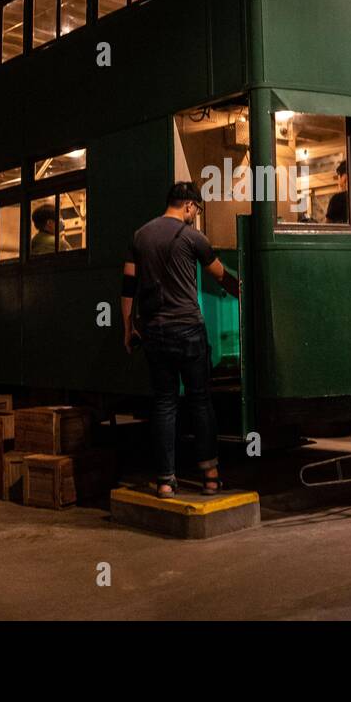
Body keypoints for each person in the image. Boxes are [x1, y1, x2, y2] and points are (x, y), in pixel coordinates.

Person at [121, 182, 239, 498]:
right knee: (200, 401)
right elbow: (219, 274)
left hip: (154, 331)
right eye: (197, 210)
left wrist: (127, 329)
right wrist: (244, 292)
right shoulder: (192, 237)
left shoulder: (140, 236)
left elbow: (127, 286)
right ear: (188, 205)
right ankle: (210, 478)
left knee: (164, 403)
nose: (196, 216)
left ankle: (165, 480)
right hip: (188, 328)